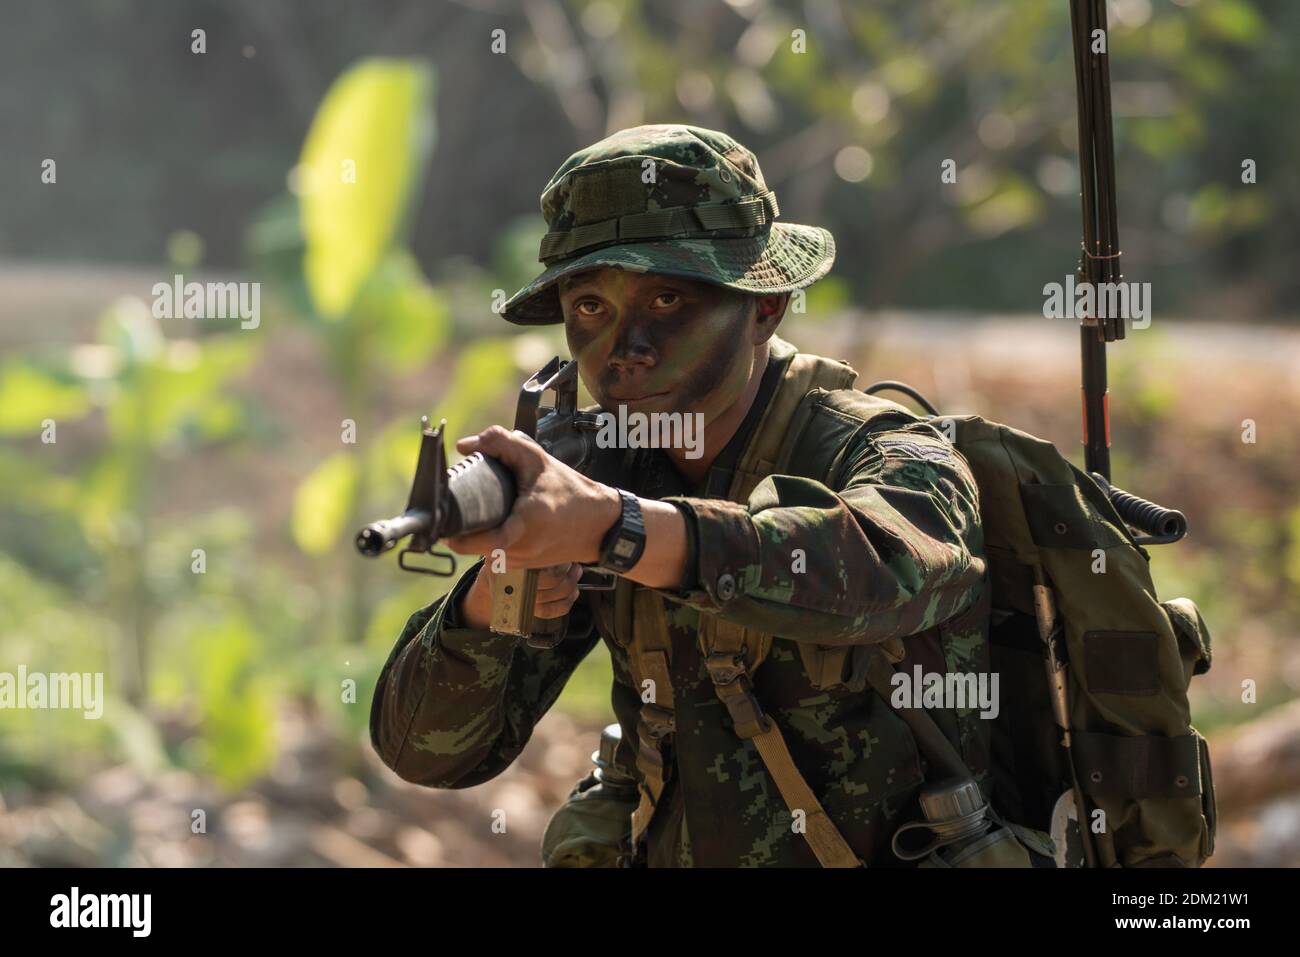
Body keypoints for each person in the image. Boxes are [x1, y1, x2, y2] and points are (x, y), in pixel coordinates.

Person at [370, 124, 989, 867]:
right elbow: (425, 752)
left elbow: (887, 567)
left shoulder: (886, 451)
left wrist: (616, 529)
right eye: (592, 307)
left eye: (667, 299)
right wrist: (500, 597)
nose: (627, 349)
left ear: (767, 306)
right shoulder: (612, 466)